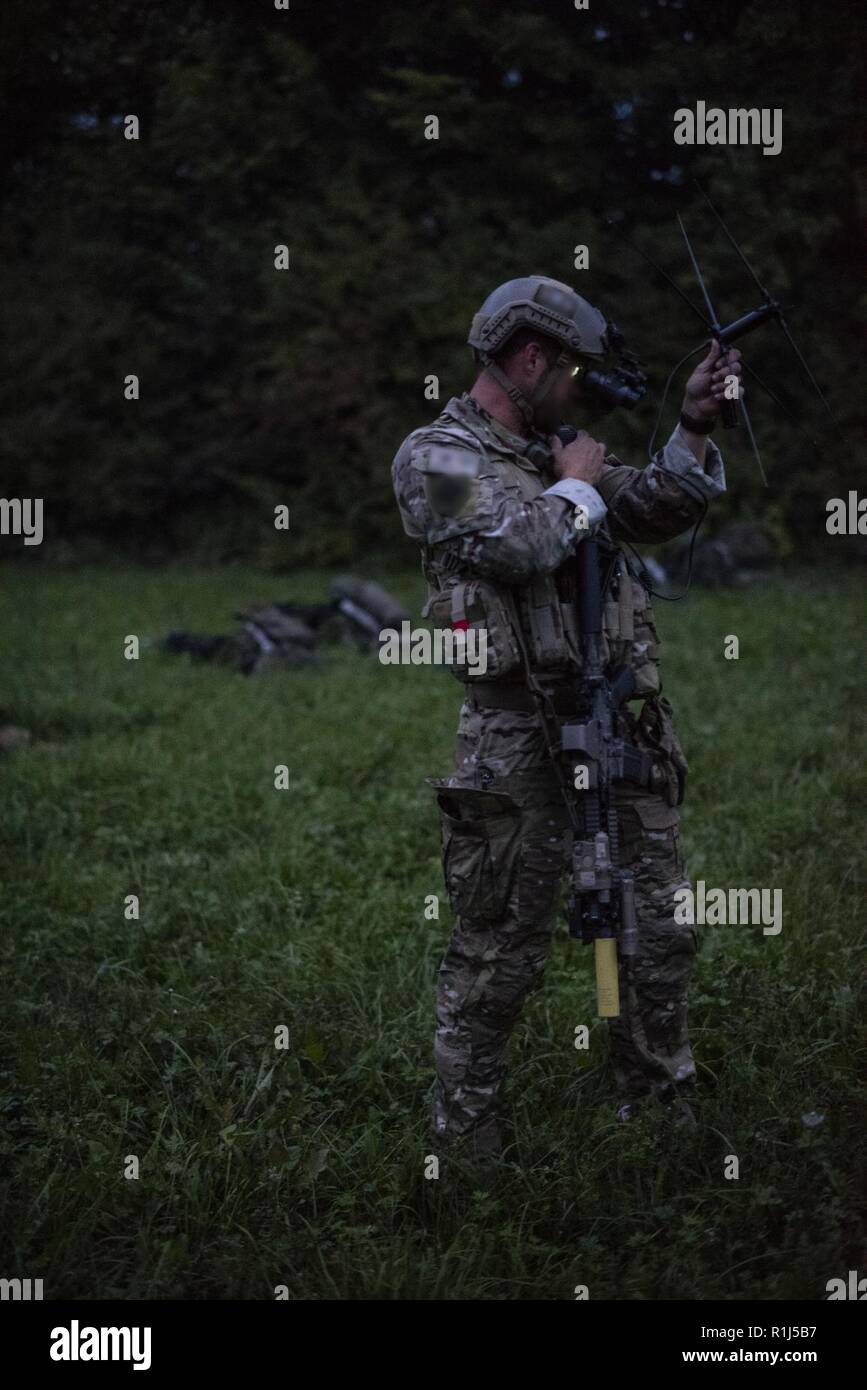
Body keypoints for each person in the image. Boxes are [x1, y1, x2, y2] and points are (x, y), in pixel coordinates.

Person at [390, 275, 742, 1160]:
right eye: (571, 369)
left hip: (619, 725)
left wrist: (693, 424)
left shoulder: (562, 445)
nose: (578, 387)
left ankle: (657, 1116)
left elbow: (654, 508)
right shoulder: (434, 457)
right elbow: (518, 543)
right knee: (497, 948)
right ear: (531, 356)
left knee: (653, 928)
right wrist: (577, 489)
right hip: (515, 738)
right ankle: (466, 1145)